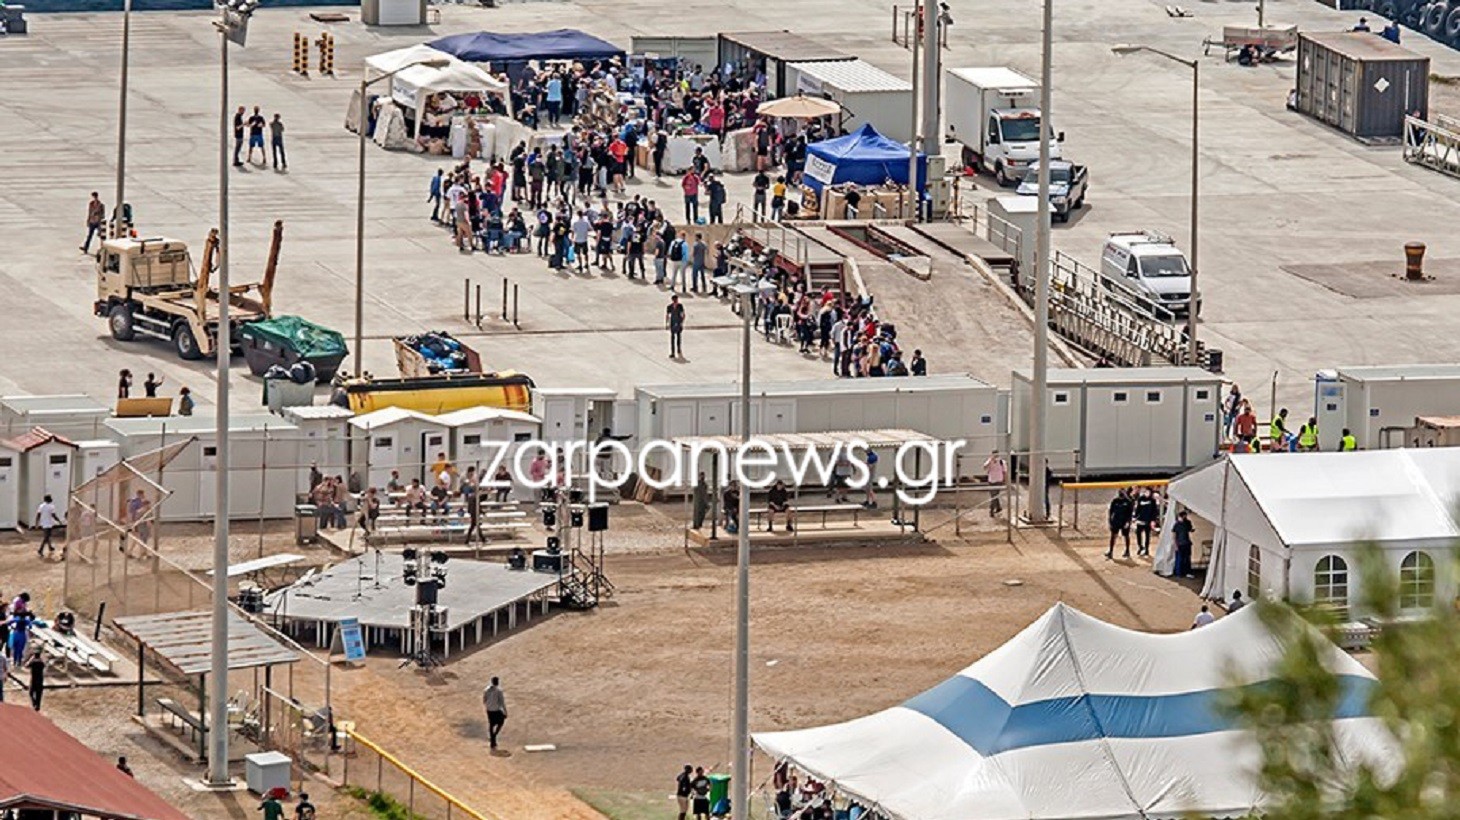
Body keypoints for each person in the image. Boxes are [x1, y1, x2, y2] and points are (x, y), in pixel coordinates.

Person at [1106, 489, 1134, 560]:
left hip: (1124, 522)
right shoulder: (1115, 501)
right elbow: (1111, 512)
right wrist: (1110, 521)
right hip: (1116, 521)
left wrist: (1128, 522)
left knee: (1126, 536)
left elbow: (1130, 513)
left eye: (1123, 492)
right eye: (1120, 492)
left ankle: (1127, 551)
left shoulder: (1128, 502)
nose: (1121, 493)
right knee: (1113, 536)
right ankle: (1110, 552)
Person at [1132, 488, 1160, 557]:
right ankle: (1140, 547)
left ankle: (1147, 549)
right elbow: (1138, 509)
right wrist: (1135, 517)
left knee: (1147, 536)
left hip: (1148, 521)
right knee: (1138, 534)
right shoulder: (1140, 499)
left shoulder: (1152, 500)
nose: (1147, 493)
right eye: (1145, 492)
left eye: (1148, 492)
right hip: (1140, 520)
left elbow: (1155, 511)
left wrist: (1153, 520)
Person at [483, 676, 508, 750]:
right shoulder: (499, 691)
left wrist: (488, 705)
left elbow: (484, 699)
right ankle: (494, 736)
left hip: (489, 709)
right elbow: (502, 702)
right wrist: (505, 712)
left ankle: (492, 738)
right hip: (496, 709)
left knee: (491, 724)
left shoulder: (486, 689)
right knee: (501, 722)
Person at [1172, 509, 1194, 577]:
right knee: (1185, 559)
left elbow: (1174, 535)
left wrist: (1175, 544)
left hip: (1180, 543)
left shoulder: (1177, 524)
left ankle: (1179, 573)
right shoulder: (1187, 523)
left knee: (1180, 559)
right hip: (1185, 543)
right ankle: (1185, 572)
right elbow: (1190, 529)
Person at [984, 451, 1006, 517]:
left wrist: (1004, 480)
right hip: (991, 480)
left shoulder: (1002, 462)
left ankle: (991, 510)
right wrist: (990, 461)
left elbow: (1004, 471)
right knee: (994, 495)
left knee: (994, 496)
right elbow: (985, 467)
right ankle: (998, 507)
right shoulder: (989, 461)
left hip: (998, 480)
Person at [666, 295, 685, 359]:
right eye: (675, 300)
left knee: (678, 337)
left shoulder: (680, 306)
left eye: (676, 300)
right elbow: (668, 315)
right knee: (672, 338)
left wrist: (682, 322)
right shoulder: (669, 307)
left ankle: (678, 348)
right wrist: (667, 323)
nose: (676, 301)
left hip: (678, 322)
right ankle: (673, 352)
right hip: (673, 323)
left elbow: (683, 314)